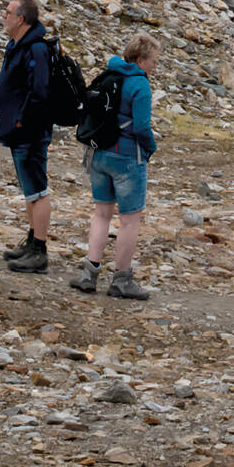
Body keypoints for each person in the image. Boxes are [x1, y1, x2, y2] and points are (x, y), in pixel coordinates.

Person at [71, 32, 159, 300]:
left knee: (101, 214)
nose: (155, 66)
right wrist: (150, 148)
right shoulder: (139, 85)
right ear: (141, 60)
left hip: (98, 153)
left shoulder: (109, 75)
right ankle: (122, 279)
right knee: (130, 220)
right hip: (126, 158)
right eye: (154, 61)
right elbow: (142, 126)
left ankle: (89, 273)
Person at [0, 0, 53, 272]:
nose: (3, 17)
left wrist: (19, 123)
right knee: (29, 190)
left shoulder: (36, 49)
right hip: (18, 130)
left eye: (7, 13)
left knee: (38, 190)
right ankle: (31, 241)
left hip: (30, 131)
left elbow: (38, 93)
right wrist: (5, 124)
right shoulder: (16, 44)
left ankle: (39, 250)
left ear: (21, 18)